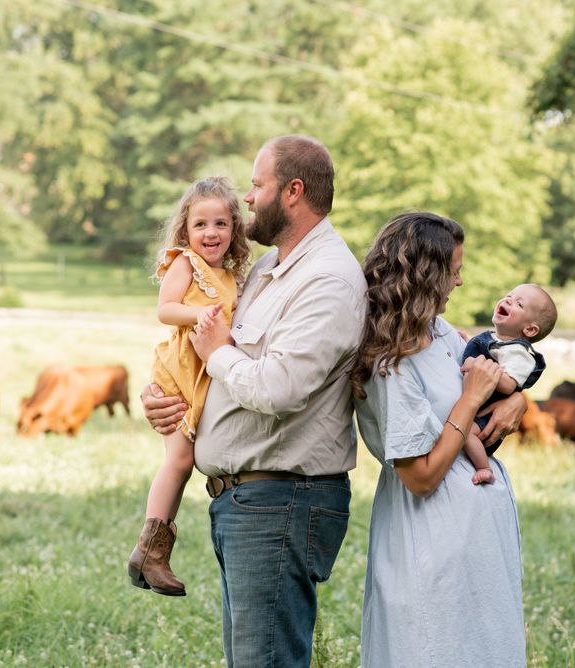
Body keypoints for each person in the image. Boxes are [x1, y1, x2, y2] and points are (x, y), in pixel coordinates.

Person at [141, 135, 366, 667]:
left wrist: (216, 352)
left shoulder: (326, 280)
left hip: (280, 503)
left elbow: (277, 388)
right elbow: (206, 353)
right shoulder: (267, 270)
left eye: (257, 185)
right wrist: (163, 396)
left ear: (292, 191)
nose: (246, 198)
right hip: (247, 503)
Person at [351, 212, 528, 667]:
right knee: (434, 649)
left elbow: (492, 379)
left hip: (474, 539)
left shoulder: (439, 331)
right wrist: (471, 400)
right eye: (453, 271)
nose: (460, 282)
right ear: (425, 275)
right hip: (431, 537)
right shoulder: (391, 363)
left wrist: (517, 400)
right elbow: (421, 478)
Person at [128, 176, 251, 597]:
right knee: (179, 459)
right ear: (185, 230)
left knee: (189, 459)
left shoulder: (231, 276)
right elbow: (165, 309)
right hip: (180, 369)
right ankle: (150, 550)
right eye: (200, 224)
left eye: (220, 223)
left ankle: (153, 552)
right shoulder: (185, 263)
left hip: (205, 372)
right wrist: (199, 316)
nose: (210, 233)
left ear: (234, 228)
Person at [461, 283, 556, 484]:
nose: (508, 301)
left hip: (486, 415)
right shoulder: (494, 340)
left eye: (519, 304)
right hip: (475, 402)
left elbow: (508, 385)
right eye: (509, 296)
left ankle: (484, 468)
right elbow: (486, 354)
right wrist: (465, 343)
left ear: (530, 329)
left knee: (465, 434)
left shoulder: (519, 354)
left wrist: (477, 365)